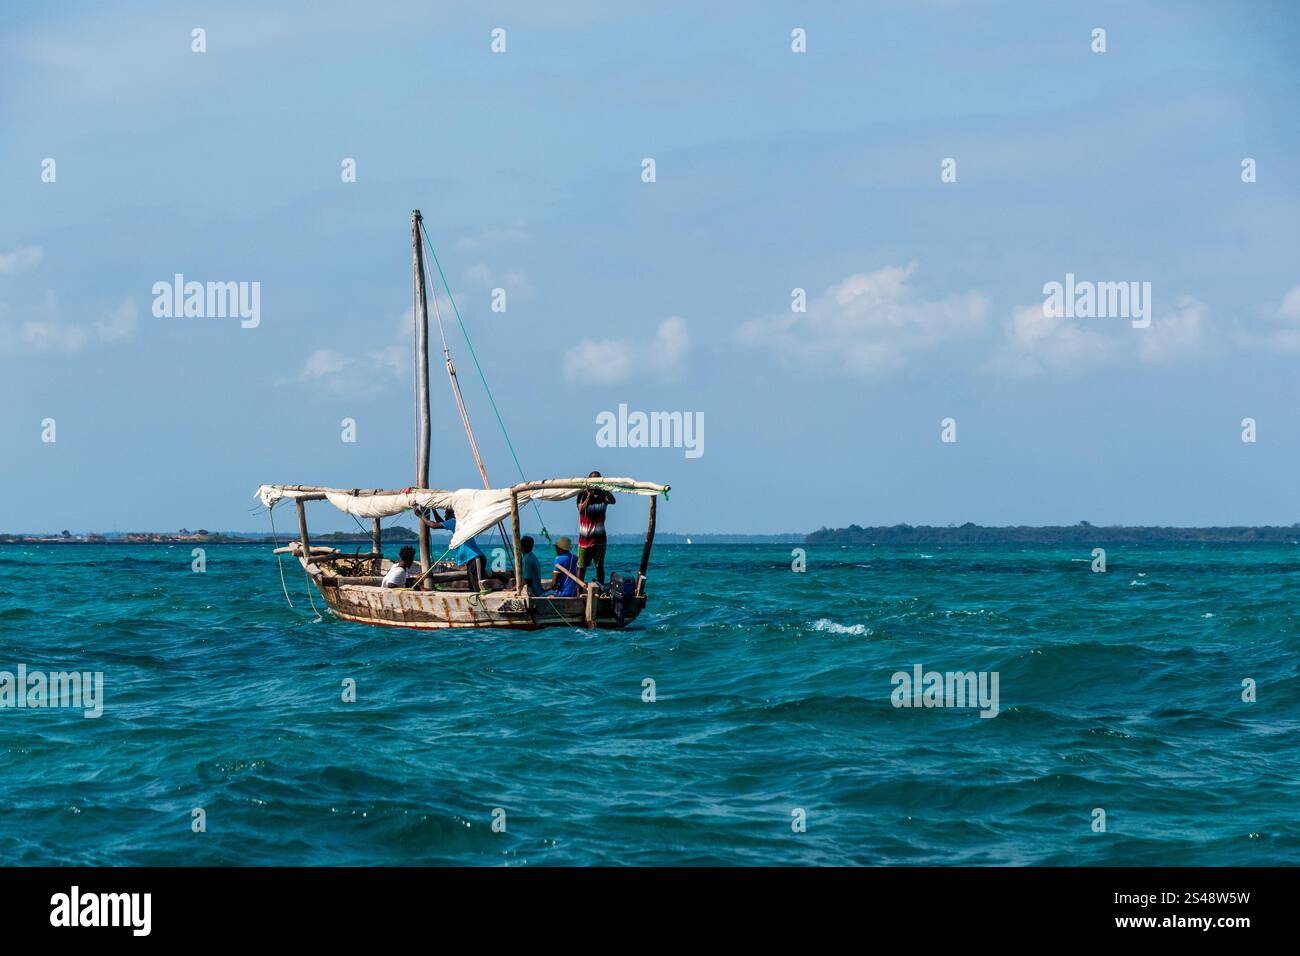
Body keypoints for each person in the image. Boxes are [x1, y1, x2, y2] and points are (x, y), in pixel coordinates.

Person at [415, 506, 489, 592]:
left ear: (452, 514)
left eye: (446, 514)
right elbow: (441, 522)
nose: (444, 517)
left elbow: (434, 525)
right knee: (473, 588)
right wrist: (433, 509)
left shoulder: (454, 522)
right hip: (472, 559)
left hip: (475, 558)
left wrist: (420, 516)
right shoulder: (457, 524)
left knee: (478, 588)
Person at [576, 470, 615, 584]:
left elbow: (612, 501)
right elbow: (581, 509)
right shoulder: (582, 495)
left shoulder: (603, 496)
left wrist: (604, 489)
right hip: (585, 538)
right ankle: (578, 592)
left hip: (600, 538)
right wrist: (589, 496)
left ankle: (601, 588)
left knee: (599, 566)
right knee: (581, 566)